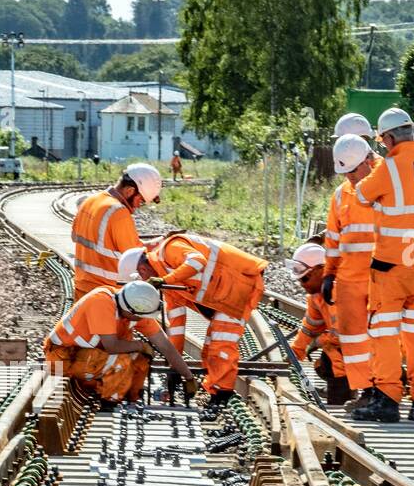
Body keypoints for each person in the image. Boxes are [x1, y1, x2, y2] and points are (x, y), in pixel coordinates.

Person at [351, 107, 414, 424]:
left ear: (388, 138)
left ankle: (388, 399)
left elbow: (361, 194)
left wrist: (375, 169)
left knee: (385, 332)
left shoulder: (387, 168)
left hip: (391, 267)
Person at [119, 230, 266, 405]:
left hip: (242, 282)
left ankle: (222, 397)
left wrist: (166, 279)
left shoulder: (169, 248)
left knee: (221, 344)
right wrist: (174, 366)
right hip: (227, 293)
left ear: (142, 270)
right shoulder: (168, 288)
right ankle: (212, 391)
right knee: (210, 346)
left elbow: (197, 261)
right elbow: (176, 328)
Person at [43, 280, 199, 408]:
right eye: (140, 316)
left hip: (88, 357)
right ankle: (108, 406)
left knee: (140, 358)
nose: (143, 320)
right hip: (62, 358)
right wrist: (140, 345)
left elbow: (165, 346)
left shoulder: (129, 307)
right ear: (131, 311)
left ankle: (131, 399)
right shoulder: (101, 302)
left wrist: (188, 376)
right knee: (122, 361)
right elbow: (112, 346)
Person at [323, 133, 379, 408]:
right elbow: (333, 240)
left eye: (353, 171)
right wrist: (328, 273)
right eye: (345, 173)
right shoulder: (340, 195)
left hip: (381, 275)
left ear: (369, 160)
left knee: (384, 335)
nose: (351, 178)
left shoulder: (388, 183)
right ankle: (365, 391)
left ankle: (386, 388)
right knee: (353, 338)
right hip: (349, 279)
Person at [70, 163, 161, 298]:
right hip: (108, 292)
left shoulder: (91, 200)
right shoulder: (119, 212)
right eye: (140, 201)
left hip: (82, 288)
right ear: (130, 191)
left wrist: (152, 243)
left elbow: (76, 236)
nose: (137, 206)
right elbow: (134, 257)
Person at [287, 243, 351, 405]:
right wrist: (294, 353)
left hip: (370, 350)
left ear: (321, 270)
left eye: (305, 278)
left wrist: (318, 342)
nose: (302, 283)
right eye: (300, 279)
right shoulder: (317, 296)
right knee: (323, 363)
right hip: (352, 349)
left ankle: (345, 394)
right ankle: (344, 391)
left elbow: (342, 334)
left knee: (332, 356)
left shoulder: (338, 290)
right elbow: (310, 327)